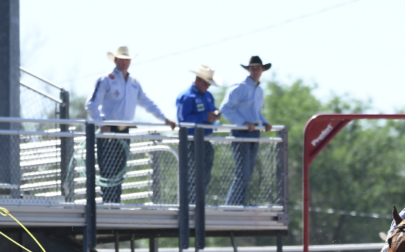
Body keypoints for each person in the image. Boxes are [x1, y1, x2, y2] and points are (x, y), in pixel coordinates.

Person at [85, 46, 176, 203]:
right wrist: (101, 124)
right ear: (115, 60)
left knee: (120, 169)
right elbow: (91, 104)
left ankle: (115, 203)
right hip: (108, 129)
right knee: (108, 168)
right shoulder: (106, 79)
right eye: (121, 59)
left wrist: (164, 119)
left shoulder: (134, 83)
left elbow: (147, 103)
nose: (124, 62)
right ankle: (108, 204)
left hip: (124, 130)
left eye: (127, 59)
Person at [220, 55, 273, 205]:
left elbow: (256, 113)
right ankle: (232, 206)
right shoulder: (239, 87)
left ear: (262, 70)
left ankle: (237, 204)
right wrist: (243, 123)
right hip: (241, 132)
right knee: (242, 173)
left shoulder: (259, 90)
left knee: (247, 173)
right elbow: (225, 108)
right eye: (252, 68)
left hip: (254, 132)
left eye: (258, 68)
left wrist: (264, 122)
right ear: (249, 70)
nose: (255, 70)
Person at [175, 65, 220, 203]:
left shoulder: (208, 96)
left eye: (209, 84)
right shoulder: (186, 96)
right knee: (192, 176)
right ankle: (189, 204)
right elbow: (183, 120)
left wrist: (215, 114)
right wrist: (206, 117)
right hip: (191, 142)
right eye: (206, 83)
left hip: (206, 141)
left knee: (205, 176)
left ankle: (197, 203)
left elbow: (213, 112)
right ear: (198, 79)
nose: (207, 87)